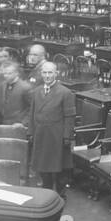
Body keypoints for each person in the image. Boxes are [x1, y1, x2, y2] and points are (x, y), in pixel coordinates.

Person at [28, 61, 76, 195]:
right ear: (41, 73)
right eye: (44, 72)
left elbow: (69, 116)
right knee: (43, 169)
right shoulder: (36, 91)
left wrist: (67, 136)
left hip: (56, 137)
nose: (47, 76)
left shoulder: (65, 93)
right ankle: (47, 194)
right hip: (40, 135)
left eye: (50, 73)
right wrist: (30, 132)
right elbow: (32, 113)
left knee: (59, 169)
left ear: (56, 74)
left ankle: (60, 195)